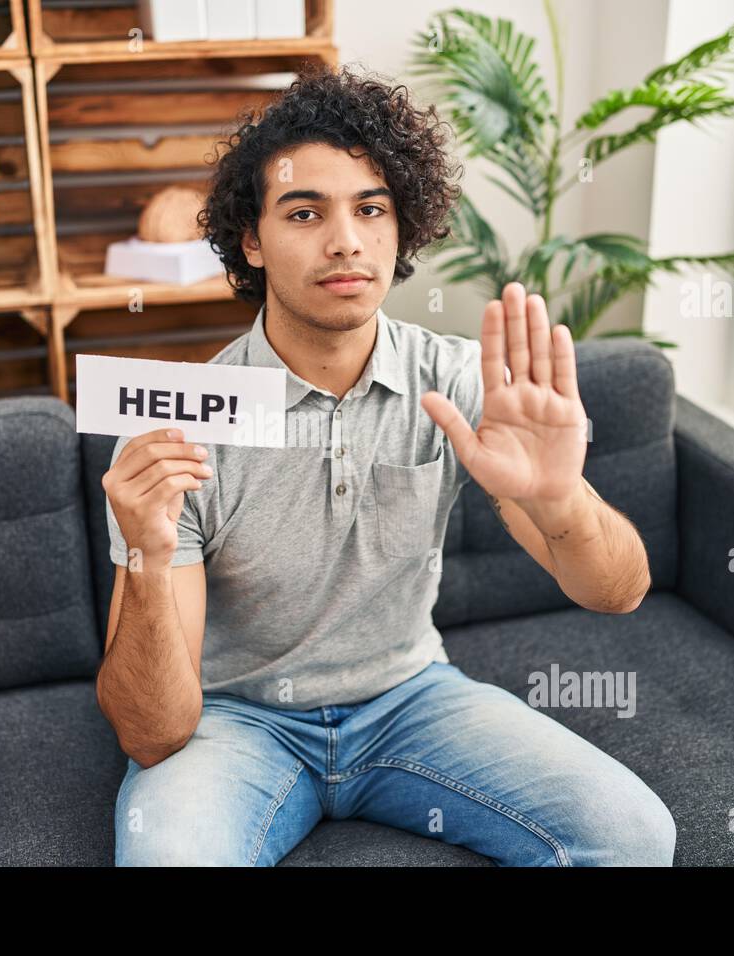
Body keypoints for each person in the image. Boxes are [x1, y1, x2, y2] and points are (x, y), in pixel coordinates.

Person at [98, 63, 676, 867]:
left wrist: (559, 496)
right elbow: (152, 732)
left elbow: (617, 593)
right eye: (305, 212)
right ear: (252, 241)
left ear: (402, 227)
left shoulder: (459, 381)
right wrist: (150, 558)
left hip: (410, 697)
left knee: (633, 836)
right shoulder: (176, 431)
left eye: (371, 209)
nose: (347, 241)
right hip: (234, 721)